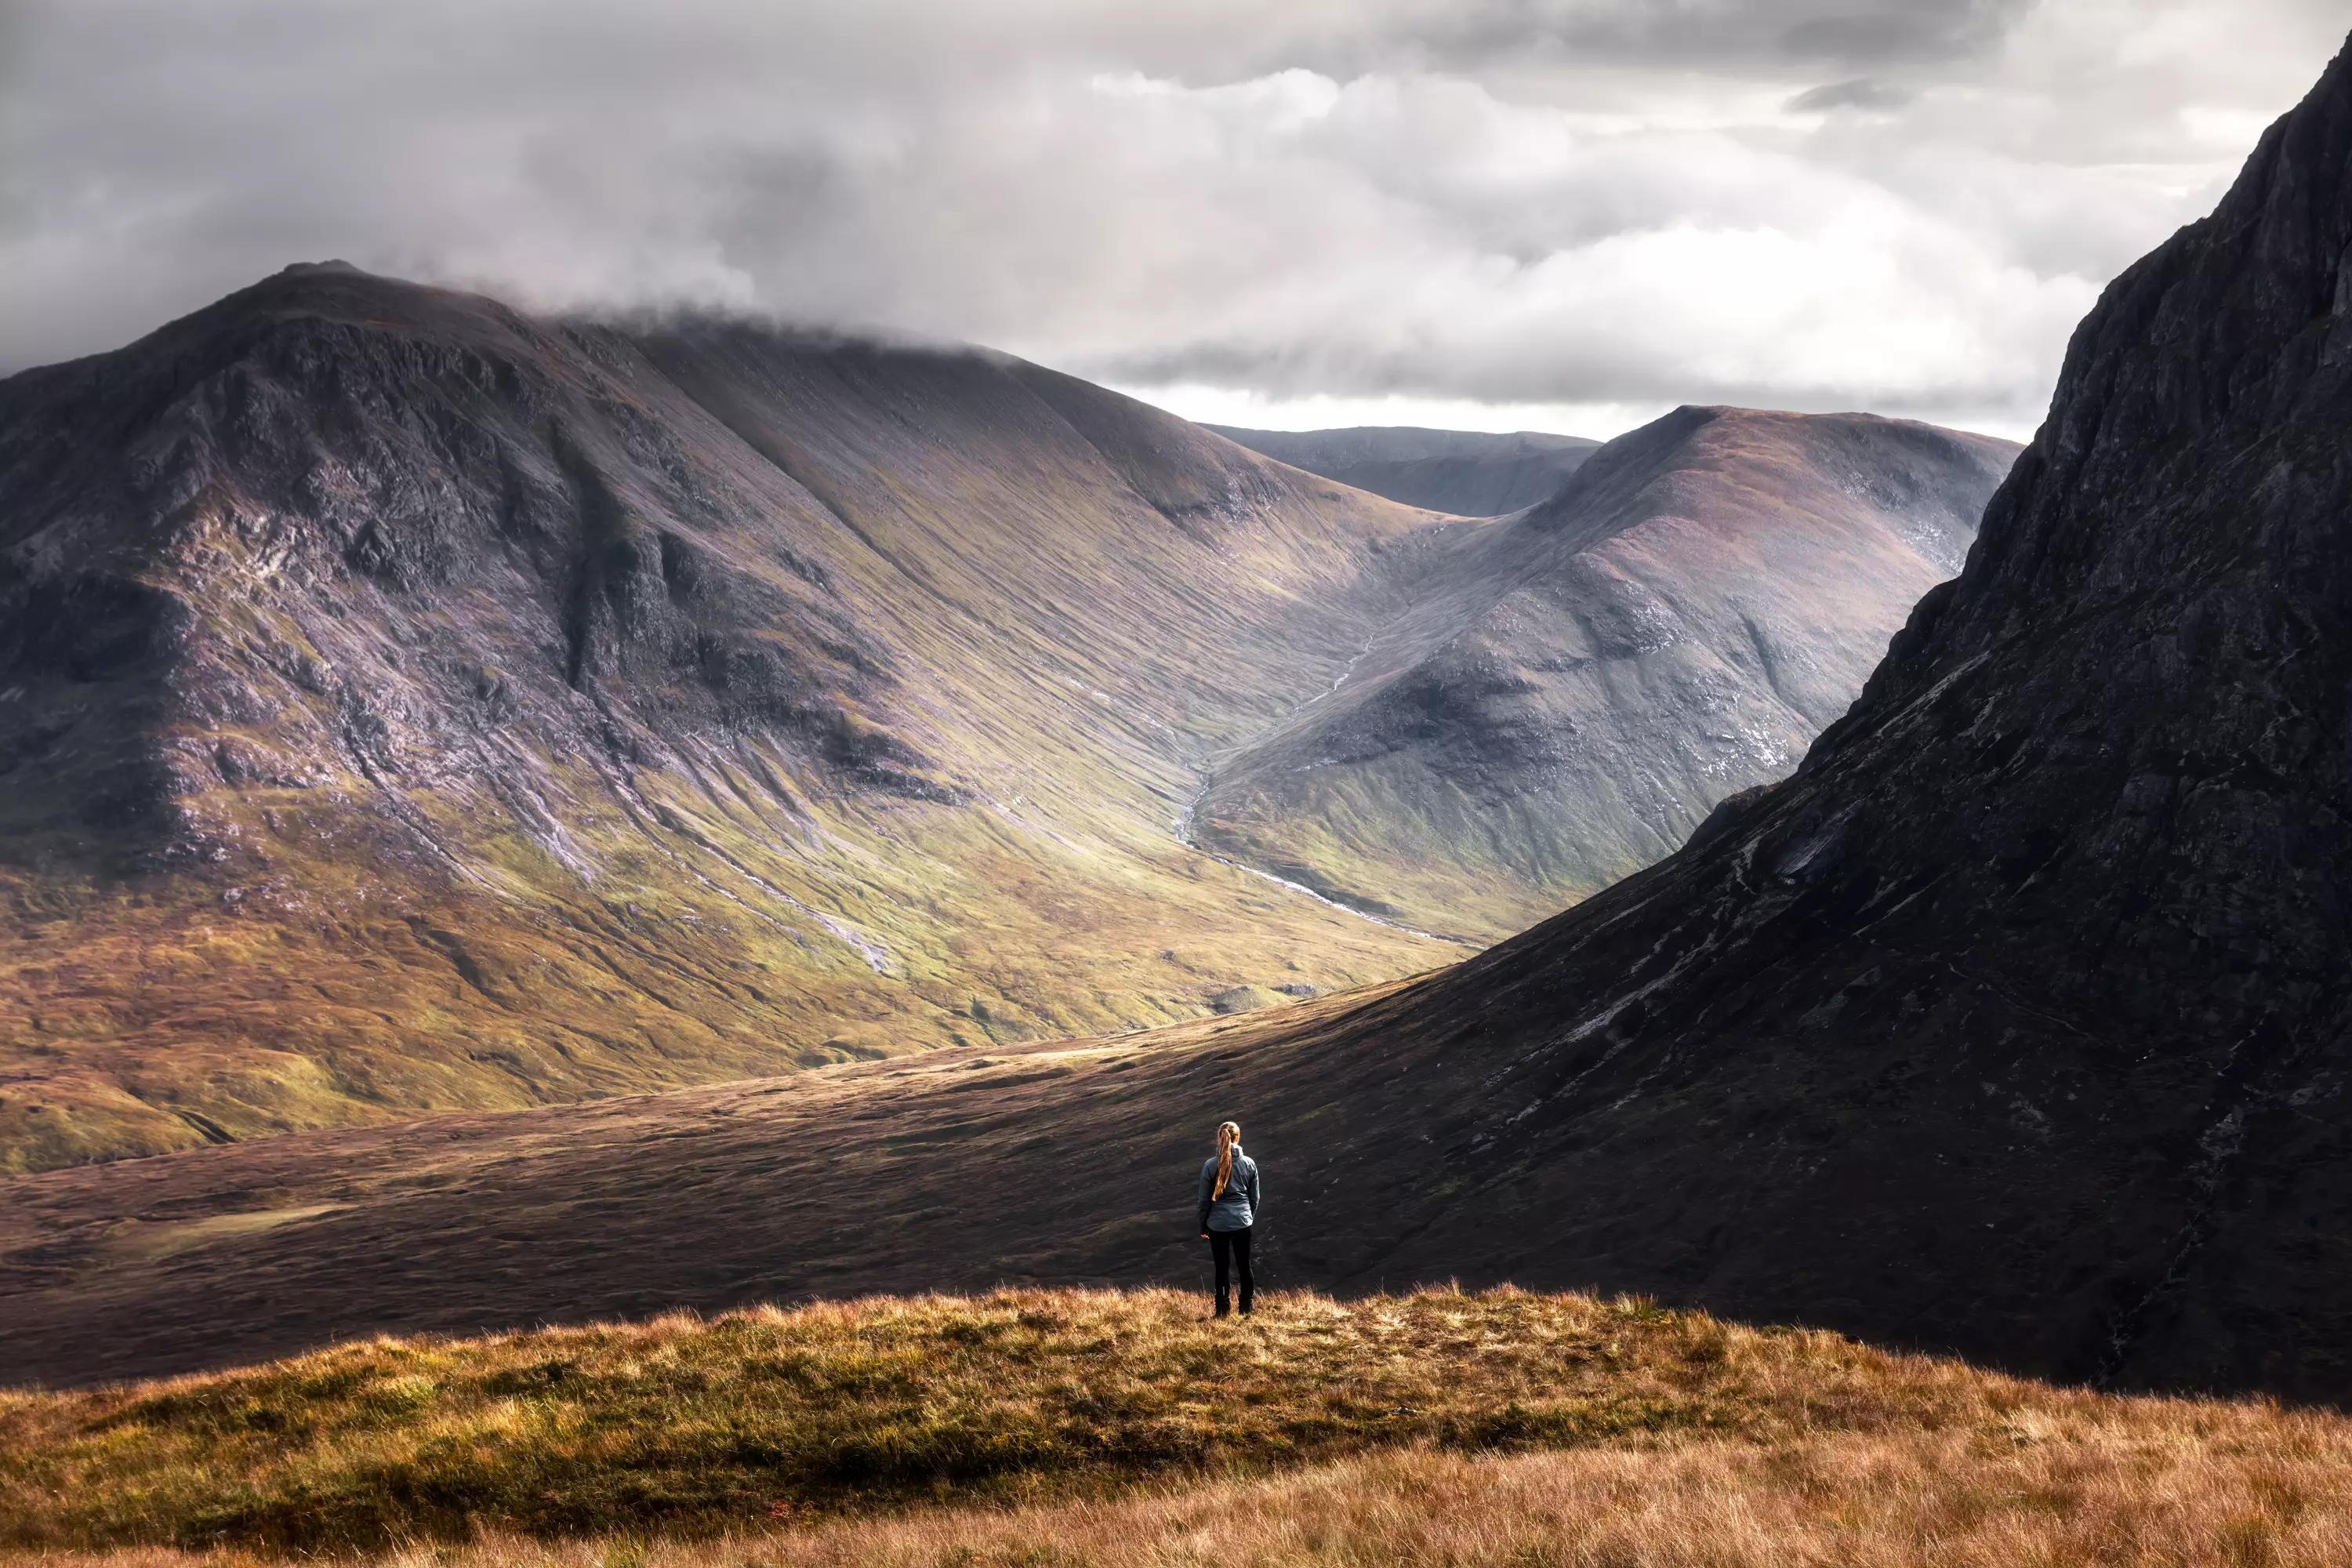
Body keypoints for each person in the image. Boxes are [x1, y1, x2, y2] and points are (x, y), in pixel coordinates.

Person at [1195, 1119, 1261, 1317]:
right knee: (1244, 1265)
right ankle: (1246, 1309)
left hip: (1217, 1224)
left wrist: (1203, 1226)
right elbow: (1254, 1197)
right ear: (1238, 1138)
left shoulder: (1210, 1165)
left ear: (1219, 1138)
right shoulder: (1249, 1163)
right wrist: (1248, 1217)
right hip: (1242, 1222)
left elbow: (1203, 1201)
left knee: (1222, 1268)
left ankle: (1222, 1311)